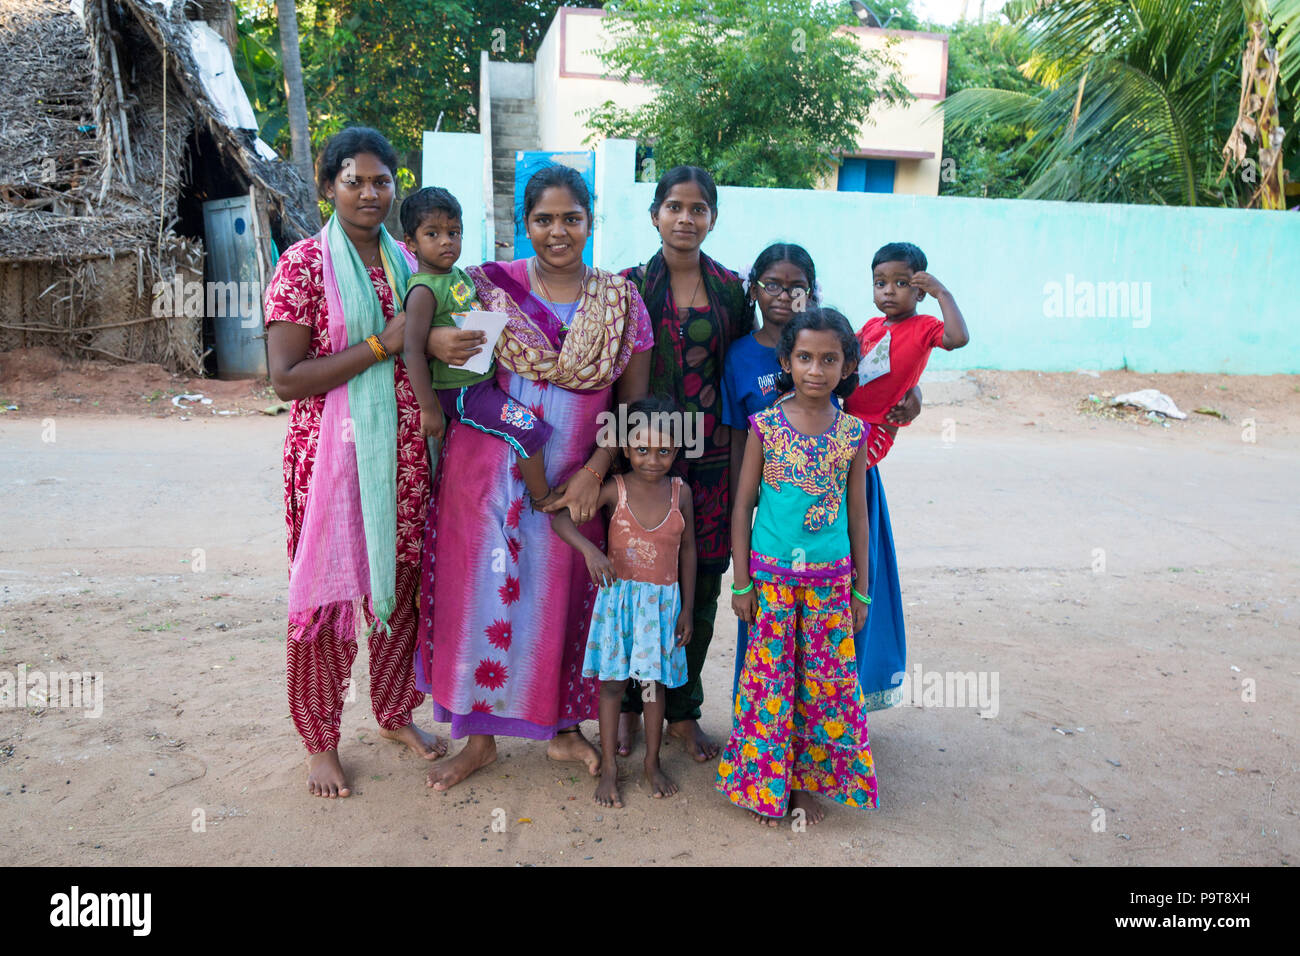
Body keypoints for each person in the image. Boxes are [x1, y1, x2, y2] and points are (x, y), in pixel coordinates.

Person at [417, 164, 653, 791]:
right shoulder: (485, 287)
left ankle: (563, 731)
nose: (557, 232)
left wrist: (597, 471)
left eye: (571, 218)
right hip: (489, 476)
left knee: (565, 600)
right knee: (485, 600)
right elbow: (450, 366)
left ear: (589, 221)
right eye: (544, 220)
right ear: (525, 225)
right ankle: (480, 740)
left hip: (576, 476)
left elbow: (632, 405)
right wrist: (436, 339)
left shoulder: (620, 300)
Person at [263, 126, 446, 799]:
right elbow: (286, 379)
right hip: (332, 466)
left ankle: (396, 712)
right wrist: (379, 344)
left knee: (400, 593)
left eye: (381, 180)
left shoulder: (413, 265)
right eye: (353, 179)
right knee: (333, 596)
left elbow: (433, 349)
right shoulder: (304, 266)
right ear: (327, 187)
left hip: (406, 464)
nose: (370, 192)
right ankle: (320, 741)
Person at [720, 243, 922, 714]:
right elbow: (736, 446)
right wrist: (742, 549)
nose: (784, 296)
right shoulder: (741, 358)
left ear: (812, 294)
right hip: (773, 516)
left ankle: (834, 724)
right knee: (768, 650)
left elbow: (887, 375)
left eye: (797, 287)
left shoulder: (833, 336)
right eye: (772, 284)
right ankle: (764, 732)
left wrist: (913, 396)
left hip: (839, 502)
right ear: (754, 290)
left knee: (834, 639)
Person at [719, 308, 879, 826]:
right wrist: (741, 582)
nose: (816, 369)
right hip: (770, 582)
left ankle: (807, 784)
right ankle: (765, 788)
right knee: (769, 683)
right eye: (805, 358)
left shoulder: (853, 433)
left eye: (829, 359)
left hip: (831, 585)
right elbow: (743, 506)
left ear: (848, 365)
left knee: (825, 685)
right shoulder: (765, 426)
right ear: (786, 361)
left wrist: (862, 591)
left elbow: (859, 515)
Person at [617, 165, 751, 763]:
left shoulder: (730, 290)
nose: (686, 218)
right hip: (645, 458)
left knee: (700, 583)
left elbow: (760, 362)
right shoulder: (625, 287)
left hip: (714, 460)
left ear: (713, 219)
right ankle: (624, 708)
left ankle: (682, 712)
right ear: (654, 215)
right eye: (674, 206)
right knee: (634, 579)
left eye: (699, 209)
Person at [551, 396, 696, 808]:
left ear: (677, 450)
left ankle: (652, 762)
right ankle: (611, 768)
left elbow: (688, 551)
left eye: (664, 450)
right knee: (613, 686)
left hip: (660, 607)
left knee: (652, 688)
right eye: (642, 449)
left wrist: (686, 608)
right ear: (626, 448)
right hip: (617, 605)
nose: (653, 459)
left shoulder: (679, 493)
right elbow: (562, 518)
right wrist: (590, 552)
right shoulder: (613, 489)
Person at [843, 241, 969, 708]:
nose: (889, 292)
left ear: (918, 287)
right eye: (880, 283)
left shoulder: (926, 325)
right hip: (845, 416)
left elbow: (959, 339)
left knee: (844, 482)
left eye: (901, 284)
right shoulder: (871, 326)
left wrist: (941, 293)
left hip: (873, 429)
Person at [398, 186, 555, 507]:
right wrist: (429, 410)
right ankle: (543, 499)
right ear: (411, 243)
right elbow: (411, 349)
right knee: (529, 431)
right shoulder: (424, 291)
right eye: (433, 233)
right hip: (462, 392)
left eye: (454, 232)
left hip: (480, 381)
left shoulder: (457, 275)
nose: (446, 241)